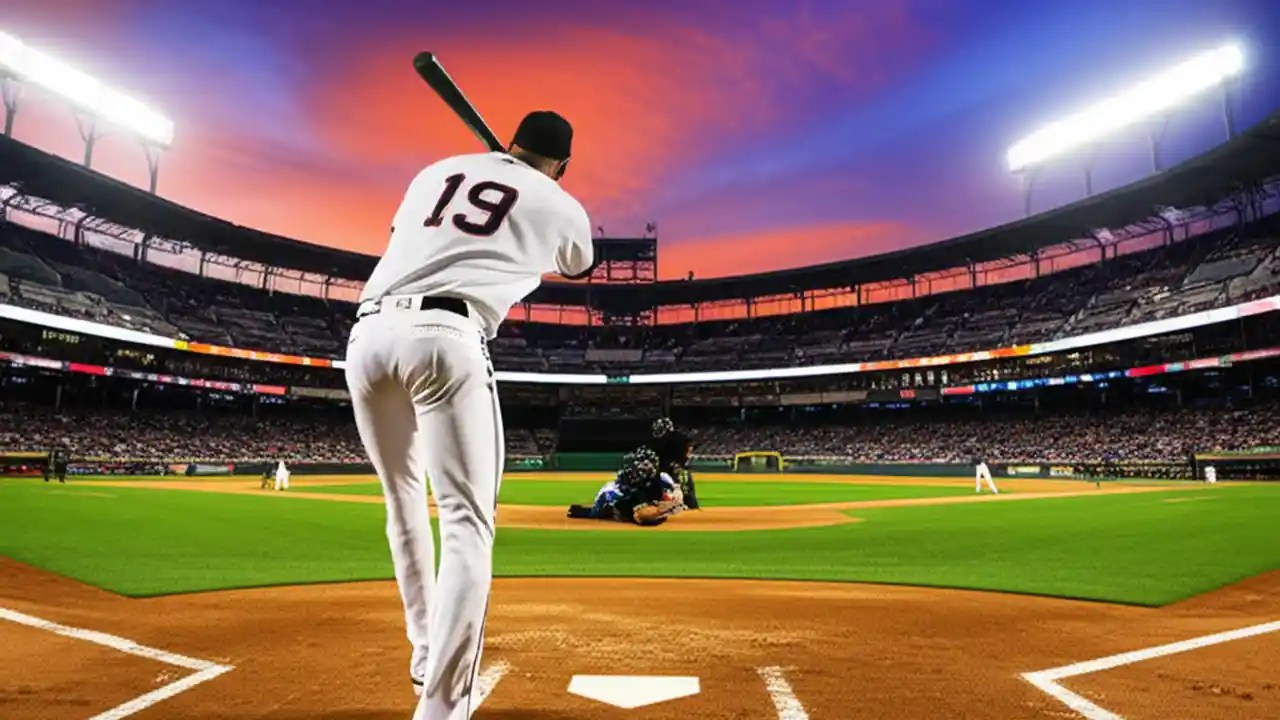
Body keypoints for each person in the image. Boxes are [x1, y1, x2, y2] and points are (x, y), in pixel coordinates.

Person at [344, 110, 592, 720]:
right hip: (445, 335)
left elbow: (413, 231)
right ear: (562, 162)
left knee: (402, 500)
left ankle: (426, 652)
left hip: (368, 335)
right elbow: (580, 263)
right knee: (466, 525)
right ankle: (443, 708)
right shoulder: (560, 200)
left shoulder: (437, 170)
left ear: (510, 142)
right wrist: (540, 188)